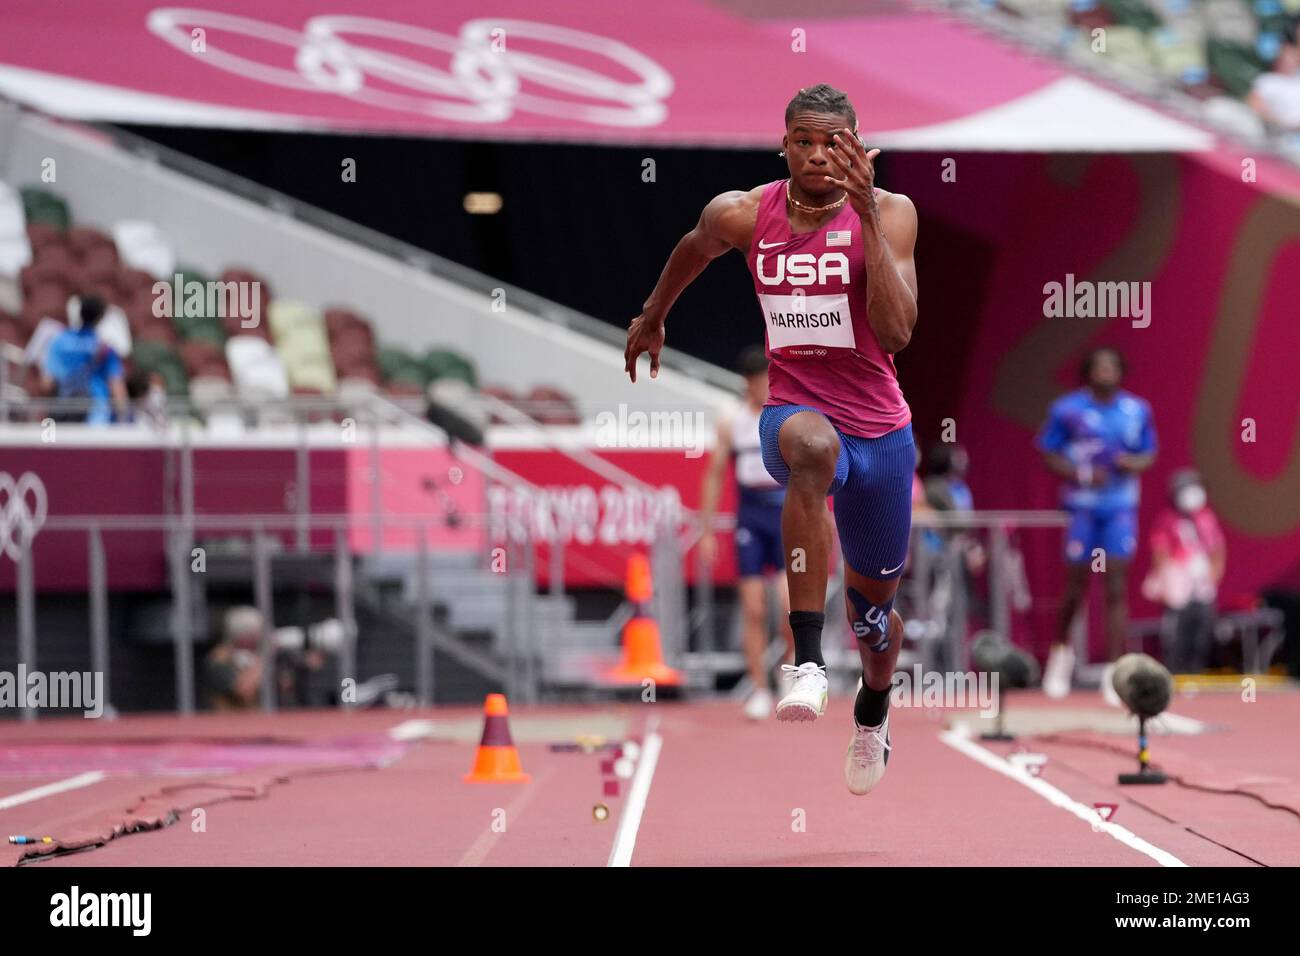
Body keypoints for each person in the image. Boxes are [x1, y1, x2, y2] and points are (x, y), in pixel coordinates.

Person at [625, 83, 918, 795]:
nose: (817, 156)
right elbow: (694, 249)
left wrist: (869, 216)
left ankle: (873, 710)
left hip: (881, 432)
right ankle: (808, 661)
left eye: (833, 143)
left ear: (855, 144)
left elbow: (898, 332)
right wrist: (653, 314)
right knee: (811, 448)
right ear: (783, 142)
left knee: (876, 617)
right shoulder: (743, 212)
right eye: (804, 141)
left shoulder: (893, 213)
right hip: (794, 409)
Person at [1037, 347, 1157, 699]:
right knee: (1075, 586)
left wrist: (1132, 464)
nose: (1106, 371)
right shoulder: (1068, 409)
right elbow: (1049, 451)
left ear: (1121, 371)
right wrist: (1081, 474)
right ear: (1088, 371)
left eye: (1112, 366)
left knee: (1116, 586)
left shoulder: (1137, 410)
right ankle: (1060, 660)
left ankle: (1115, 671)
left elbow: (1148, 453)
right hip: (1082, 508)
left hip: (1120, 507)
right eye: (1100, 366)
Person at [698, 345, 794, 720]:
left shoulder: (784, 415)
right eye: (756, 382)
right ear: (746, 383)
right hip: (751, 517)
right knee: (753, 610)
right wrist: (706, 529)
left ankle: (788, 665)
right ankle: (758, 689)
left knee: (789, 606)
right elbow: (715, 472)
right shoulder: (731, 419)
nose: (762, 388)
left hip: (785, 514)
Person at [1143, 469, 1225, 674]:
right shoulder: (1167, 520)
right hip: (1178, 583)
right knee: (1177, 630)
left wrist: (1213, 574)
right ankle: (1175, 670)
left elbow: (1218, 549)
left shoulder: (1207, 518)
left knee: (1203, 628)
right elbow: (1160, 550)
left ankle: (1196, 670)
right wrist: (1164, 579)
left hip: (1202, 582)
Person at [41, 295, 126, 425]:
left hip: (64, 416)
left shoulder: (59, 342)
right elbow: (116, 386)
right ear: (101, 317)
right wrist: (124, 419)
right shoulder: (104, 348)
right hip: (97, 418)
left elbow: (46, 384)